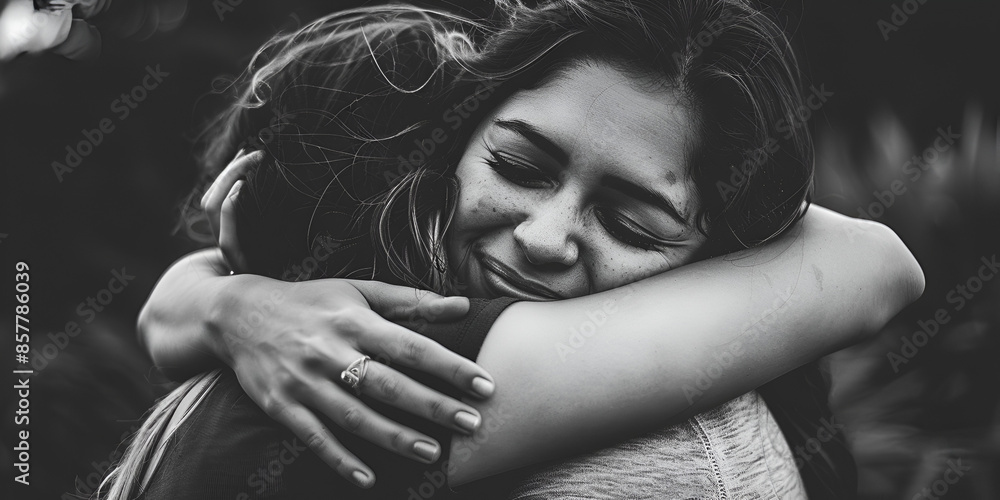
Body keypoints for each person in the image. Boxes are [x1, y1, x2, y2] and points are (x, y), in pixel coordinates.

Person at [100, 1, 925, 499]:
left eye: (632, 225)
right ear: (450, 142)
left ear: (730, 258)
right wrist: (227, 302)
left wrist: (225, 299)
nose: (543, 239)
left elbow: (877, 262)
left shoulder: (422, 370)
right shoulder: (352, 350)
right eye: (519, 166)